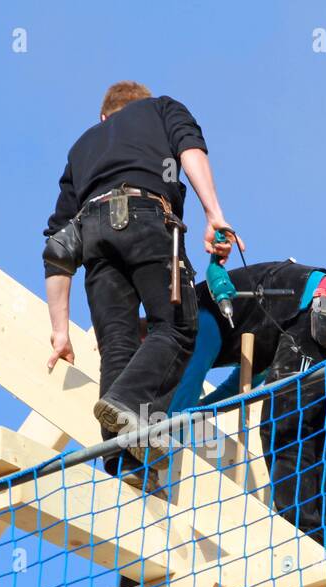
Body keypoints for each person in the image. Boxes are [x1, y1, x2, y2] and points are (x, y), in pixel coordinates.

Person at [41, 81, 240, 481]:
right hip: (148, 218)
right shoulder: (162, 108)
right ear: (142, 104)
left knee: (118, 346)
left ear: (103, 117)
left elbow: (58, 247)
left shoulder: (82, 148)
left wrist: (60, 331)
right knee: (179, 327)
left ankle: (123, 463)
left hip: (93, 235)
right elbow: (190, 152)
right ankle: (128, 403)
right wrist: (213, 213)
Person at [169, 260, 326, 557]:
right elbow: (240, 386)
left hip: (317, 315)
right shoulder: (257, 331)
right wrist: (204, 408)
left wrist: (164, 430)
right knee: (323, 440)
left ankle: (304, 539)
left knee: (283, 428)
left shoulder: (191, 318)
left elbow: (186, 387)